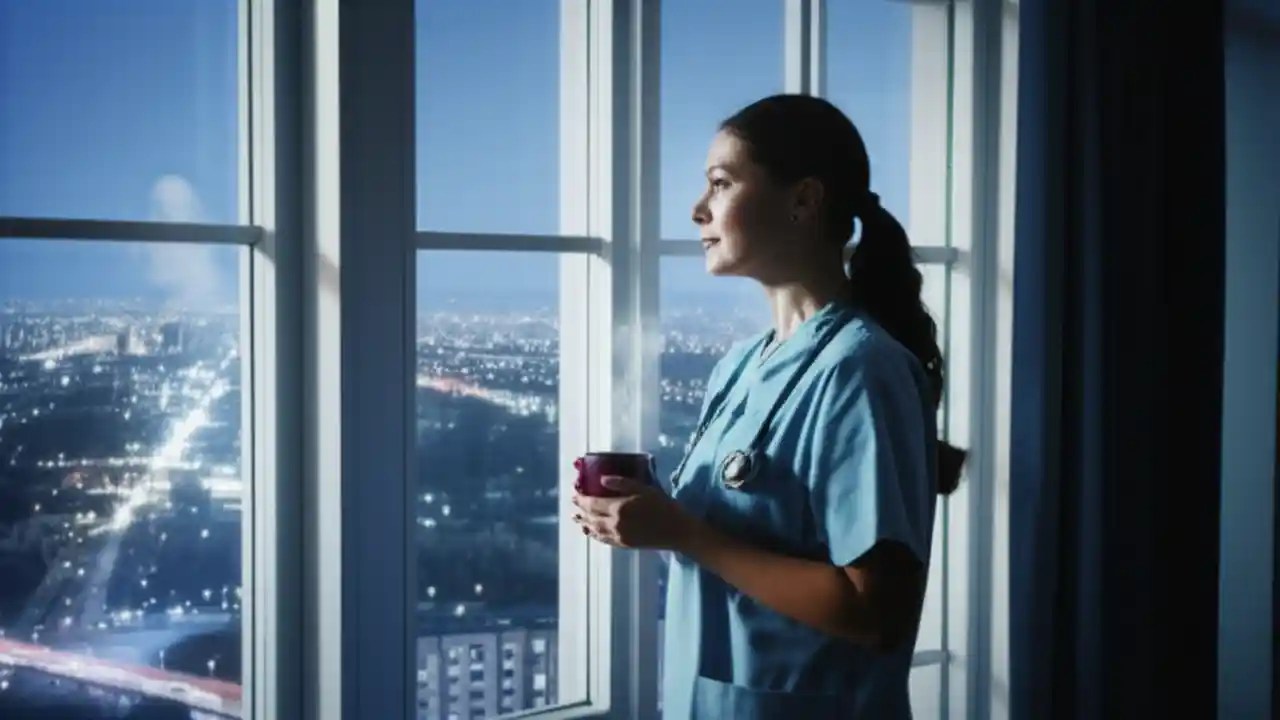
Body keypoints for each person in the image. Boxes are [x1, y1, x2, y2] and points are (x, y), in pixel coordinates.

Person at [571, 93, 966, 719]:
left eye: (721, 184)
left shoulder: (863, 369)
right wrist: (649, 517)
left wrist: (682, 532)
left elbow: (875, 612)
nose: (698, 209)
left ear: (803, 201)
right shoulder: (739, 365)